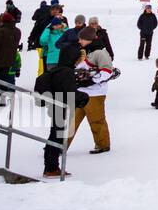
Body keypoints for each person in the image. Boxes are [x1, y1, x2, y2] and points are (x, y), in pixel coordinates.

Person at [38, 47, 87, 178]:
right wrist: (84, 97)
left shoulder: (57, 69)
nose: (79, 62)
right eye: (78, 59)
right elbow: (71, 93)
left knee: (55, 134)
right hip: (59, 105)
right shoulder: (67, 72)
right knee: (56, 136)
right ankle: (51, 168)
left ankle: (51, 167)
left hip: (54, 104)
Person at [69, 40, 115, 155]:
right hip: (79, 92)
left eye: (82, 39)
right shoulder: (81, 51)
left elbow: (107, 71)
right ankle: (60, 145)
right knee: (71, 121)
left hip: (95, 93)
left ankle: (103, 144)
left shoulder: (100, 53)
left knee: (96, 120)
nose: (79, 41)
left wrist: (90, 81)